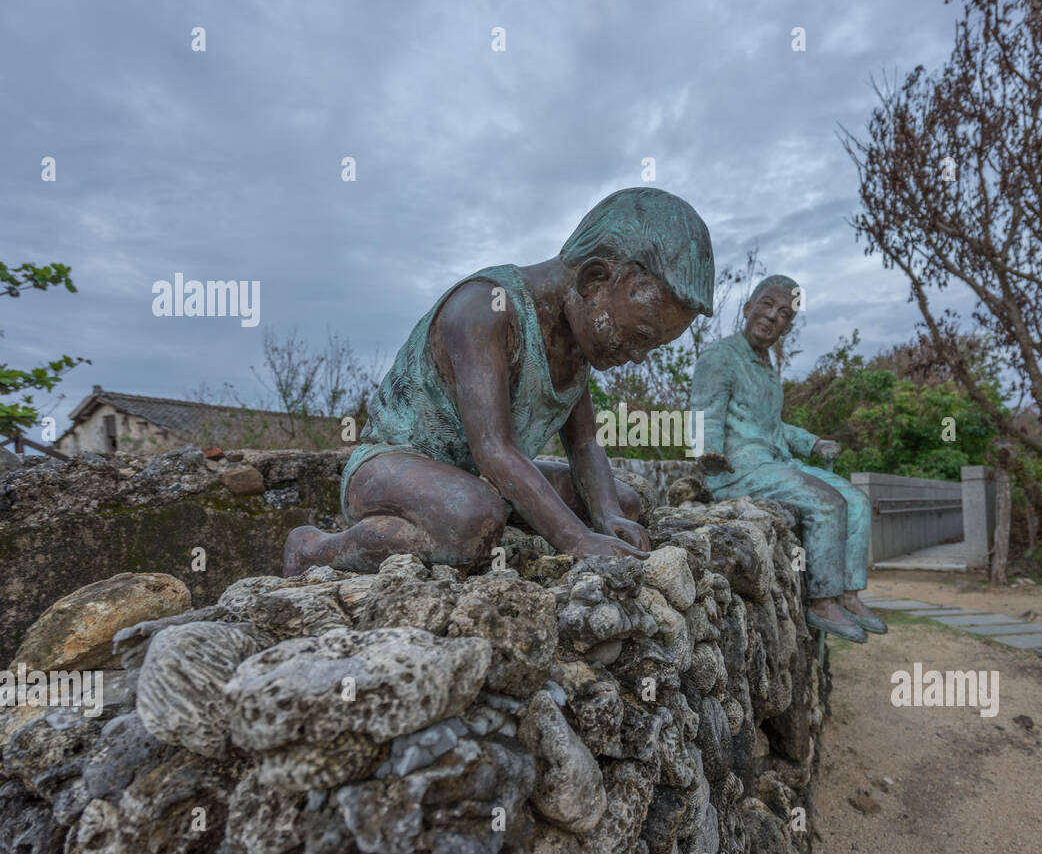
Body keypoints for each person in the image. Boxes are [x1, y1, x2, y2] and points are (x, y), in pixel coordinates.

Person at [283, 187, 714, 576]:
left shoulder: (578, 345)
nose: (637, 356)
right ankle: (314, 549)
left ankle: (501, 515)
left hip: (483, 480)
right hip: (392, 467)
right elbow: (492, 449)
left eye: (651, 347)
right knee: (473, 517)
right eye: (637, 337)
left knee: (624, 504)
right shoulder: (486, 309)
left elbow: (584, 444)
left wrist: (605, 515)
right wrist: (577, 540)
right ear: (594, 281)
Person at [689, 275, 886, 642]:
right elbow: (705, 413)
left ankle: (848, 593)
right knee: (827, 503)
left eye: (782, 313)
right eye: (765, 305)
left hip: (775, 463)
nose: (771, 316)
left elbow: (773, 425)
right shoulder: (720, 357)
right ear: (747, 308)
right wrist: (708, 454)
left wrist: (813, 443)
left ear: (787, 327)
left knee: (856, 501)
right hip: (738, 469)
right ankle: (822, 603)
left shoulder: (767, 370)